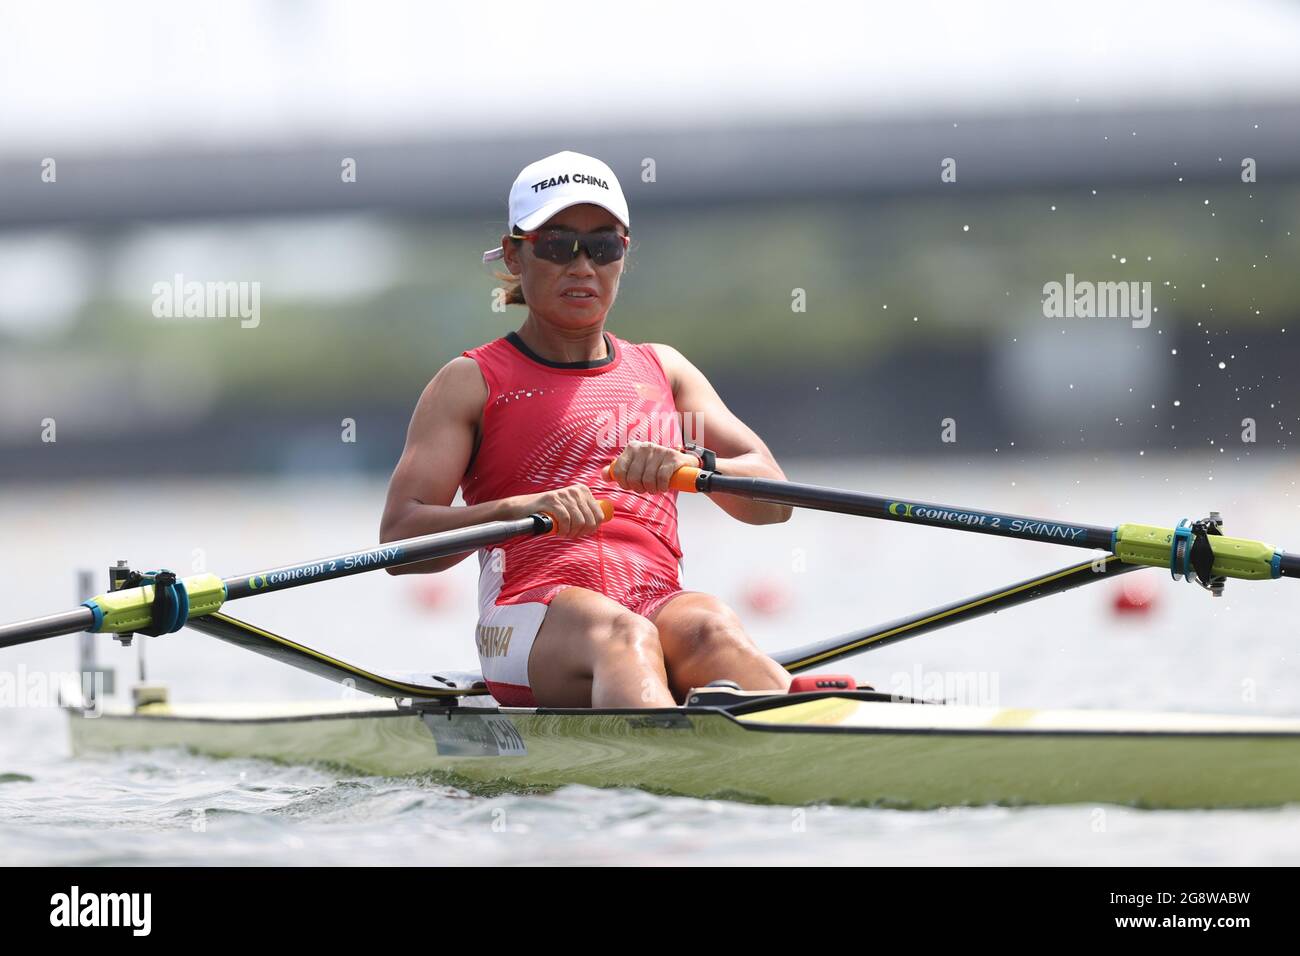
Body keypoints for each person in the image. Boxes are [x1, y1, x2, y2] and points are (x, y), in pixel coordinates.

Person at [380, 150, 792, 708]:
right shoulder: (470, 382)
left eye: (602, 246)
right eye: (557, 245)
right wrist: (515, 511)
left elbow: (774, 498)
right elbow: (401, 543)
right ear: (514, 255)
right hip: (526, 616)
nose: (582, 267)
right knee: (624, 638)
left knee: (713, 628)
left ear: (623, 255)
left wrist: (698, 469)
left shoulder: (664, 371)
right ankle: (662, 774)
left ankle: (826, 746)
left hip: (654, 602)